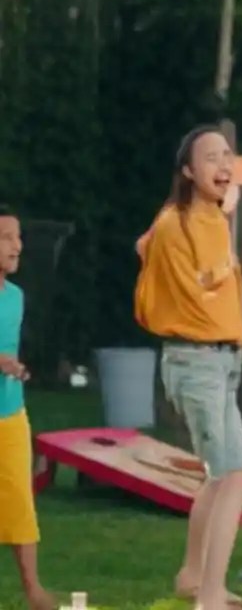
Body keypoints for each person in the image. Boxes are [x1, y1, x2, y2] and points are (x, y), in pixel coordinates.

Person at [134, 127, 242, 610]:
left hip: (221, 361)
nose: (223, 164)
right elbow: (208, 277)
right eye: (210, 157)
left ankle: (193, 574)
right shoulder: (188, 221)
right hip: (197, 360)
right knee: (231, 476)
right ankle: (209, 597)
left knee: (227, 473)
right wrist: (226, 224)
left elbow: (143, 247)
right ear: (188, 171)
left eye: (227, 155)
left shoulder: (198, 218)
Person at [0, 206, 57, 610]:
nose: (16, 245)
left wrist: (14, 369)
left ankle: (34, 591)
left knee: (20, 499)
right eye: (5, 237)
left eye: (17, 236)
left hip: (10, 414)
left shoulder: (16, 297)